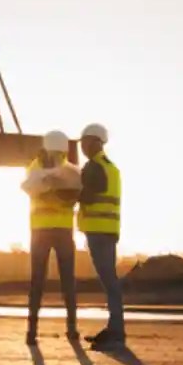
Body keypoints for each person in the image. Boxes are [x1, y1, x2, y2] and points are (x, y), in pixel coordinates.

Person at [19, 129, 81, 345]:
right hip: (60, 230)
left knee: (38, 281)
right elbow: (74, 194)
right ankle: (71, 329)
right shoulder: (68, 170)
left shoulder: (34, 168)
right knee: (66, 281)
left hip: (41, 231)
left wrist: (51, 188)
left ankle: (32, 332)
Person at [77, 122, 125, 350]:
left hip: (98, 230)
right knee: (110, 280)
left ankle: (116, 332)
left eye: (85, 142)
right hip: (109, 230)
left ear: (96, 142)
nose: (82, 147)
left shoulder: (93, 167)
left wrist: (66, 192)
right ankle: (114, 328)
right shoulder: (110, 167)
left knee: (110, 282)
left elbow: (87, 196)